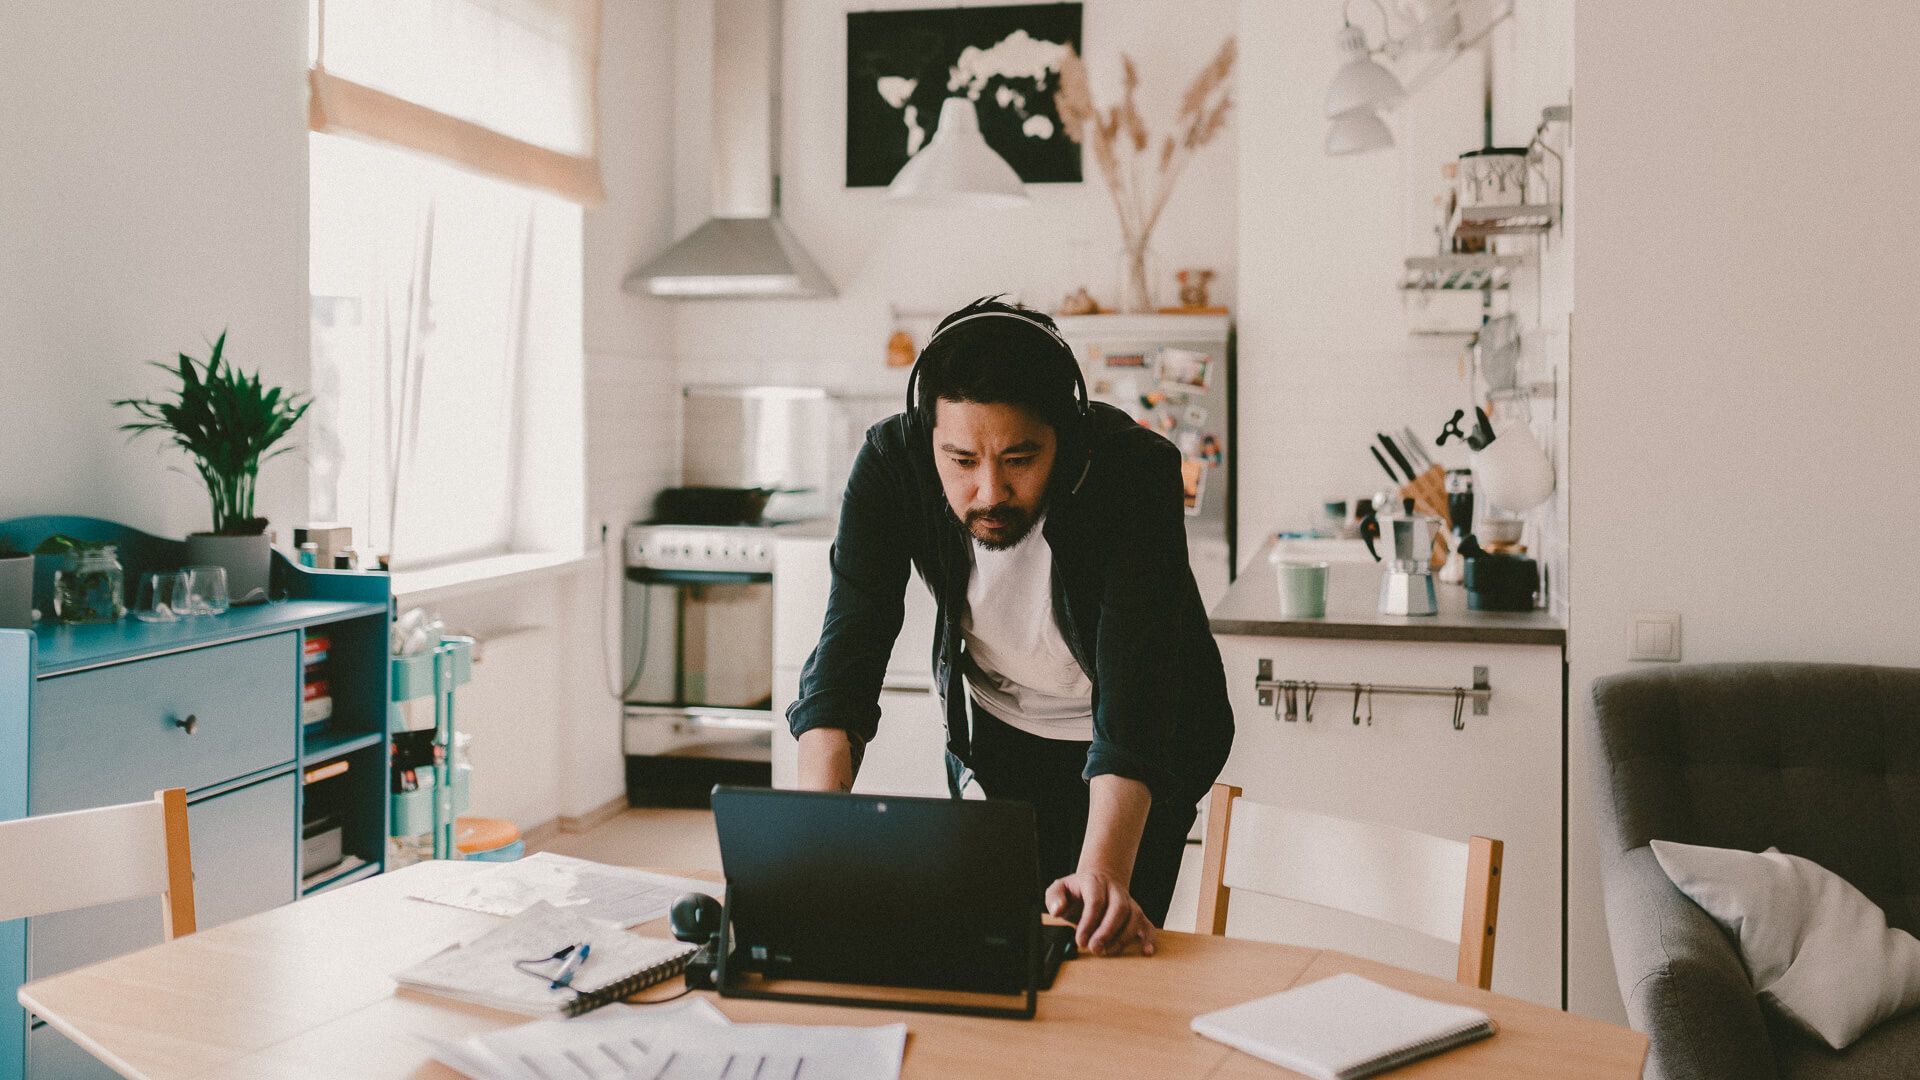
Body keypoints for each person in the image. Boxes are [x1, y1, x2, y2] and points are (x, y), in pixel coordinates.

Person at [786, 295, 1234, 958]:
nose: (990, 492)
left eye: (1020, 459)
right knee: (1003, 943)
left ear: (1068, 435)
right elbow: (846, 657)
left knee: (1100, 943)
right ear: (928, 436)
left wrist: (1104, 876)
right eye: (961, 461)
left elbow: (1137, 691)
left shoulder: (1132, 474)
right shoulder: (892, 464)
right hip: (1004, 730)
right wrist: (812, 843)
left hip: (1145, 736)